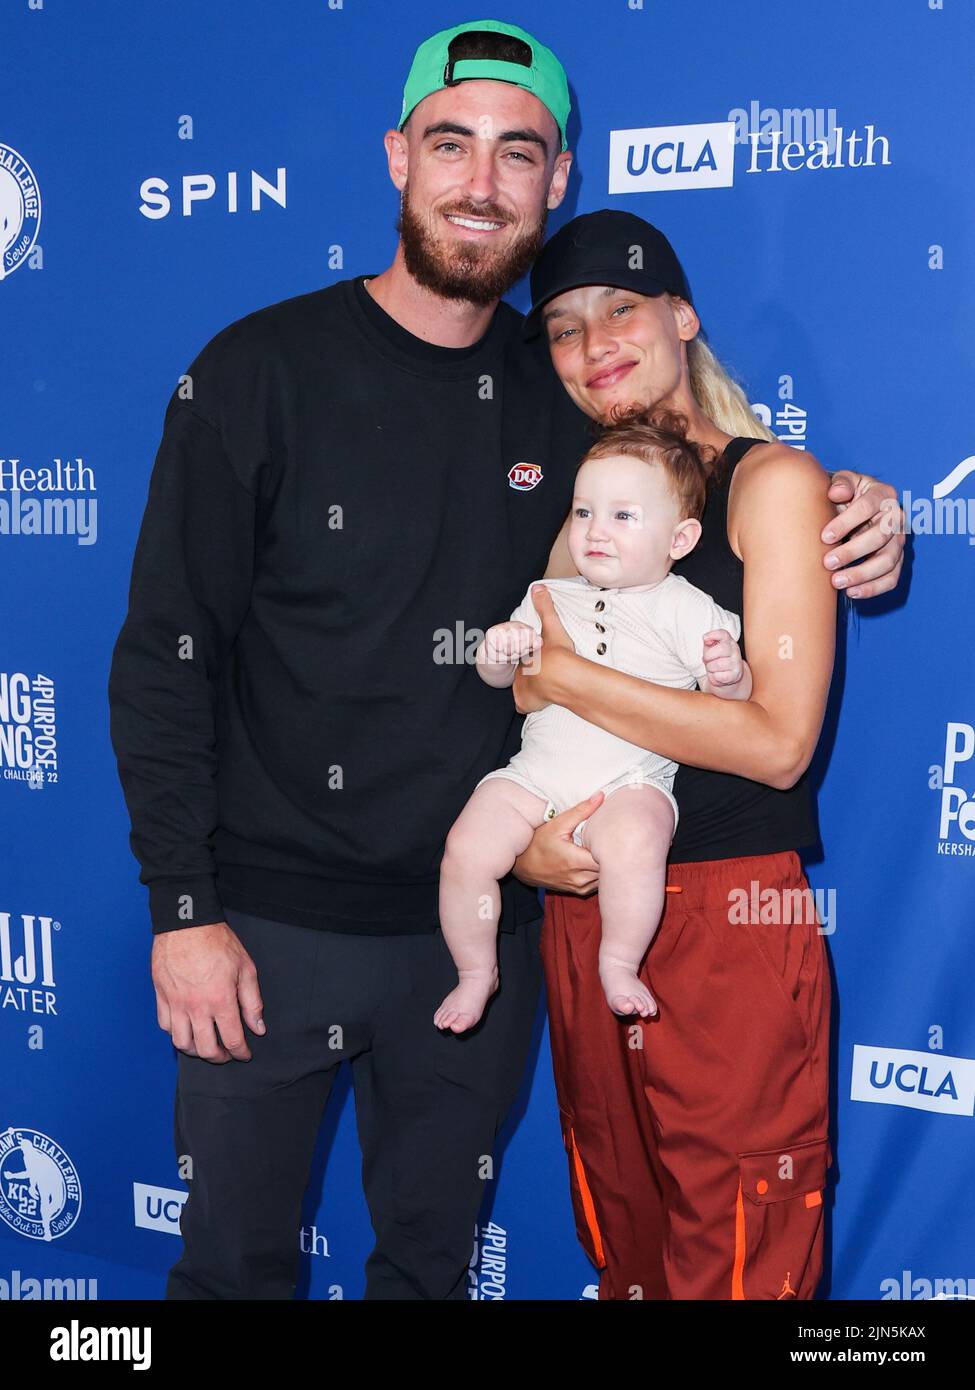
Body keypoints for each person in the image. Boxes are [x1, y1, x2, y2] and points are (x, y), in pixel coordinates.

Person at [106, 19, 904, 1302]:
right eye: (451, 144)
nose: (482, 181)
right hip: (269, 924)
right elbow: (163, 653)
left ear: (556, 179)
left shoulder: (569, 404)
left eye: (516, 153)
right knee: (232, 1275)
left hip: (487, 930)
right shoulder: (260, 369)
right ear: (396, 158)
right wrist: (184, 911)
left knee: (442, 1271)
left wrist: (860, 505)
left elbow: (717, 461)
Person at [510, 207, 866, 1300]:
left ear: (682, 316)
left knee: (743, 1257)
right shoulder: (574, 511)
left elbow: (777, 743)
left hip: (727, 917)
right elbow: (516, 714)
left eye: (621, 308)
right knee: (625, 1244)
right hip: (579, 914)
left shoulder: (772, 484)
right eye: (564, 327)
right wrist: (528, 854)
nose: (594, 342)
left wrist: (564, 673)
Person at [436, 416, 751, 1031]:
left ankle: (619, 960)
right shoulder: (548, 594)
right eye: (583, 513)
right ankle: (475, 971)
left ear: (680, 539)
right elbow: (502, 679)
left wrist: (727, 671)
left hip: (631, 782)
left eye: (623, 516)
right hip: (535, 775)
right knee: (466, 847)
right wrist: (497, 652)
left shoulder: (687, 607)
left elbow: (731, 705)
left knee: (636, 842)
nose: (595, 531)